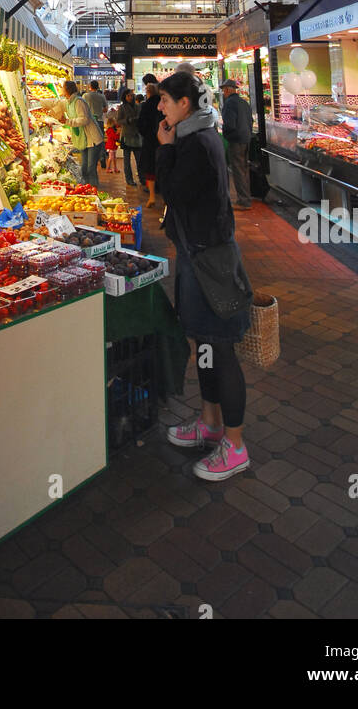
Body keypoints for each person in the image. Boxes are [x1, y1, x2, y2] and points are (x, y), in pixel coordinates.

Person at [156, 70, 253, 480]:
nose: (159, 107)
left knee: (222, 349)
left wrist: (164, 149)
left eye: (164, 100)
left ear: (185, 104)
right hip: (199, 256)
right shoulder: (198, 136)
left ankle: (235, 444)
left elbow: (172, 191)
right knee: (207, 346)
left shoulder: (197, 143)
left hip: (210, 263)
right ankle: (211, 423)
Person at [62, 80, 103, 187]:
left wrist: (68, 122)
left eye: (63, 87)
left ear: (67, 90)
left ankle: (94, 189)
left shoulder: (78, 101)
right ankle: (87, 188)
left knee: (90, 167)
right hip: (83, 139)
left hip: (92, 139)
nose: (61, 89)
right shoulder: (69, 102)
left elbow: (84, 119)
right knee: (84, 167)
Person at [221, 79, 253, 210]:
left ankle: (244, 200)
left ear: (228, 90)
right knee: (244, 168)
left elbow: (230, 124)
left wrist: (226, 134)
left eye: (224, 90)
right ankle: (247, 196)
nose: (223, 93)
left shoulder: (229, 104)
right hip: (246, 138)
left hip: (236, 140)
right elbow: (250, 120)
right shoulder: (244, 102)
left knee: (238, 170)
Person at [137, 73, 163, 209]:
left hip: (150, 141)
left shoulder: (146, 105)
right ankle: (165, 198)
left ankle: (152, 196)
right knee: (163, 166)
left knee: (150, 168)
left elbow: (141, 124)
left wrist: (146, 134)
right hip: (163, 140)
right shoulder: (163, 102)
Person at [116, 88, 143, 187]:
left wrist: (137, 120)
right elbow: (118, 121)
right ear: (125, 97)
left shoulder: (138, 106)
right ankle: (129, 179)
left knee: (139, 159)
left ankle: (142, 178)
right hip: (126, 135)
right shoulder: (122, 107)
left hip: (136, 135)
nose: (131, 97)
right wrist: (127, 120)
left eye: (132, 95)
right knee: (126, 160)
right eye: (129, 95)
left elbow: (141, 117)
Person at [83, 80, 108, 168]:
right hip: (100, 120)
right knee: (100, 141)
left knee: (90, 141)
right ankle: (102, 158)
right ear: (98, 87)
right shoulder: (102, 96)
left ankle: (92, 161)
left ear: (90, 86)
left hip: (89, 122)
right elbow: (105, 109)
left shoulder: (86, 96)